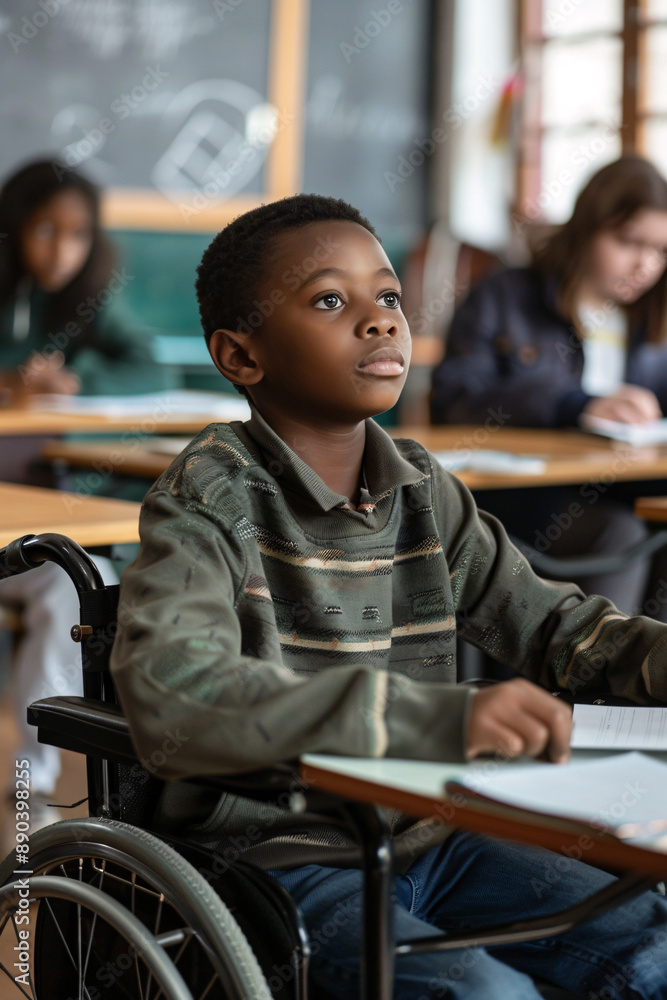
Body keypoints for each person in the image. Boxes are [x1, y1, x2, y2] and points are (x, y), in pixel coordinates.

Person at [110, 194, 667, 999]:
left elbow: (557, 631)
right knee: (486, 994)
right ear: (239, 356)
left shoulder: (421, 488)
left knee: (649, 946)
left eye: (389, 297)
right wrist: (446, 720)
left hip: (429, 836)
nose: (378, 322)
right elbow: (175, 693)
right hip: (280, 853)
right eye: (331, 300)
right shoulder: (209, 497)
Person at [0, 159, 168, 841]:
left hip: (23, 527)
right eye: (44, 231)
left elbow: (148, 363)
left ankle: (27, 786)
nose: (60, 251)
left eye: (77, 235)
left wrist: (74, 378)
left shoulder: (89, 296)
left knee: (71, 584)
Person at [431, 155, 667, 617]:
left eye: (661, 251)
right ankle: (595, 681)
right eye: (628, 242)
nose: (645, 264)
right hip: (514, 497)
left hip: (621, 484)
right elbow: (454, 399)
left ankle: (650, 678)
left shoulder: (652, 321)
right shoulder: (506, 295)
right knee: (618, 534)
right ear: (585, 230)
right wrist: (573, 404)